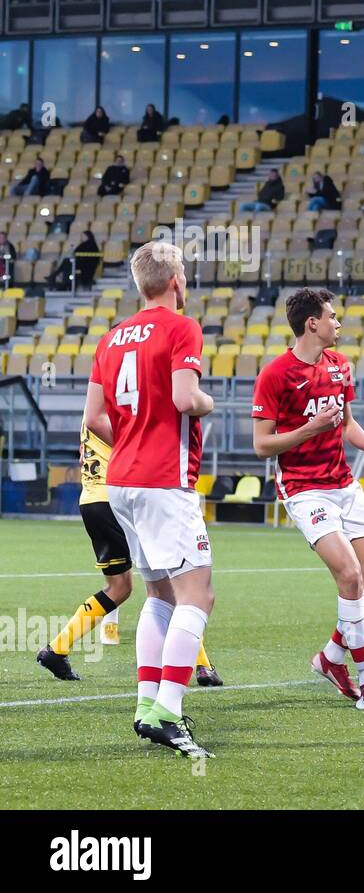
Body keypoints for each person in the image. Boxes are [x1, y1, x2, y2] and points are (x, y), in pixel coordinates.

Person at [82, 241, 216, 759]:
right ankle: (167, 712)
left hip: (121, 481)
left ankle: (146, 706)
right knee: (197, 595)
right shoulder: (182, 327)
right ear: (177, 280)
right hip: (164, 481)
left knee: (159, 596)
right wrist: (209, 401)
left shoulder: (110, 338)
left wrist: (133, 440)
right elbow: (186, 399)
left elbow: (94, 418)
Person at [252, 288, 364, 712]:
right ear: (311, 323)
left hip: (344, 485)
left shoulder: (339, 366)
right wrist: (308, 430)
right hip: (303, 488)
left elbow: (347, 424)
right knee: (350, 576)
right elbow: (262, 445)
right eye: (333, 317)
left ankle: (332, 657)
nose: (339, 323)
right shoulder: (276, 374)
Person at [36, 423, 222, 686]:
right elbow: (134, 445)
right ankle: (202, 666)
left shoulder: (93, 409)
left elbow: (86, 451)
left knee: (120, 587)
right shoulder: (118, 406)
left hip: (91, 500)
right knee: (173, 582)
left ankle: (56, 649)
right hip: (120, 497)